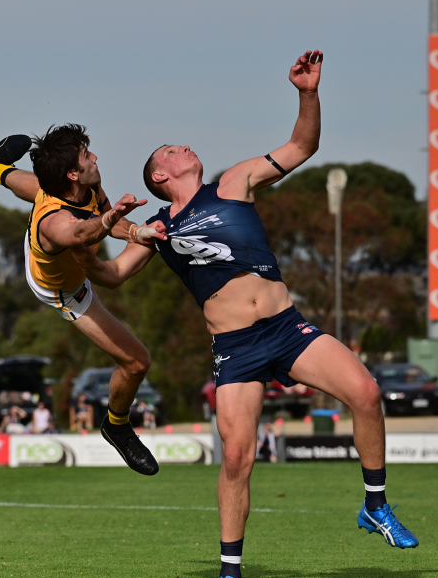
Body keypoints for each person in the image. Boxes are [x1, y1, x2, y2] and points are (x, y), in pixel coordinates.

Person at [73, 50, 417, 578]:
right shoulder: (158, 229)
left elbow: (304, 145)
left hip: (287, 328)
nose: (185, 146)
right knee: (237, 459)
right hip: (236, 349)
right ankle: (230, 572)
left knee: (367, 393)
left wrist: (307, 93)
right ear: (160, 175)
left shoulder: (234, 183)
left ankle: (375, 506)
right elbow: (113, 276)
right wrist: (81, 252)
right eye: (172, 149)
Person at [0, 126, 167, 475]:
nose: (95, 158)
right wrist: (112, 219)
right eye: (87, 156)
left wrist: (135, 230)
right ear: (74, 173)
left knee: (38, 189)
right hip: (61, 289)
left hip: (61, 210)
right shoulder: (55, 224)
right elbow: (79, 232)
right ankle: (116, 426)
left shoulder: (83, 184)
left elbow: (106, 218)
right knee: (137, 362)